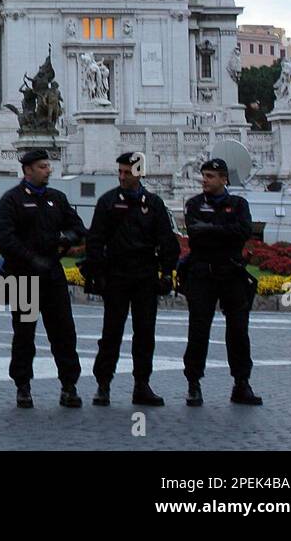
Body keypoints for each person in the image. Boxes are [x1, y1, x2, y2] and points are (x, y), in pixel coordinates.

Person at [0, 148, 87, 409]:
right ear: (28, 170)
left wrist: (67, 239)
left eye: (48, 166)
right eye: (43, 166)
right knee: (24, 335)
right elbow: (5, 238)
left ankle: (69, 385)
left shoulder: (57, 198)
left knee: (64, 333)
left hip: (53, 276)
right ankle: (23, 386)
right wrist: (31, 258)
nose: (49, 170)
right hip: (24, 276)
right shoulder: (12, 200)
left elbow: (78, 228)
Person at [85, 152, 180, 407]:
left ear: (139, 173)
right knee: (111, 332)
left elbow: (167, 241)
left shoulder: (154, 203)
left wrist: (167, 273)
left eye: (128, 172)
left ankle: (142, 384)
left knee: (145, 333)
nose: (123, 176)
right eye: (120, 172)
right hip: (116, 274)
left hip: (145, 275)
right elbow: (95, 240)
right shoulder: (108, 201)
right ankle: (103, 384)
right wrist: (97, 273)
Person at [182, 158, 261, 406]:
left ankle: (241, 383)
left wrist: (211, 229)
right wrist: (224, 231)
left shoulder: (239, 204)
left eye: (210, 176)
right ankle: (193, 383)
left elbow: (244, 231)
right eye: (204, 175)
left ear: (224, 179)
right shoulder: (194, 204)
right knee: (198, 330)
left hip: (231, 273)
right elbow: (195, 235)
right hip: (203, 274)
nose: (205, 180)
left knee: (238, 331)